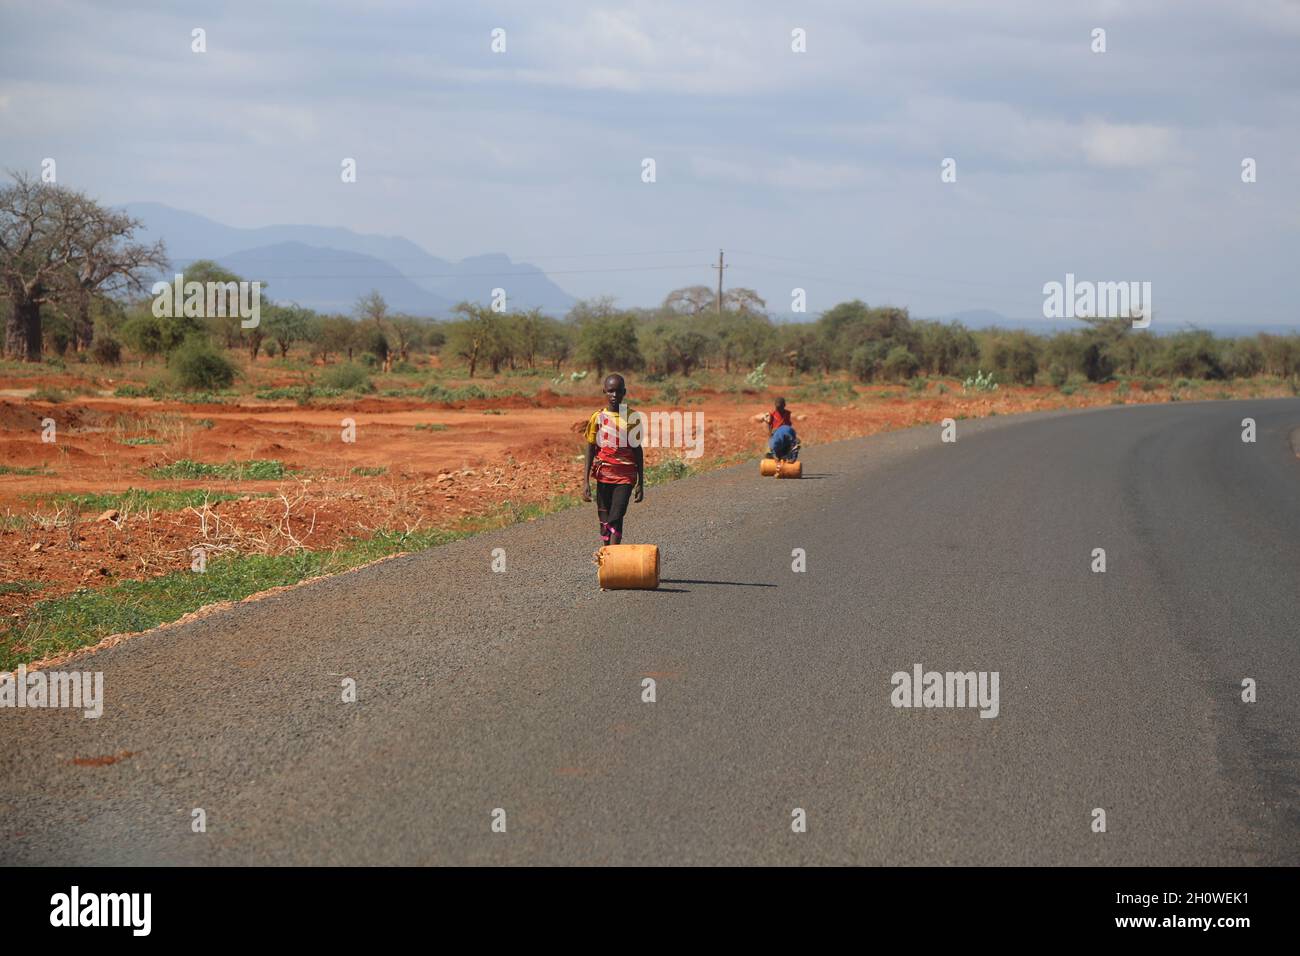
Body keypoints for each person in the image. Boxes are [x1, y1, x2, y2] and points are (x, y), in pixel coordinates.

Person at [582, 373, 644, 546]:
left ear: (624, 392)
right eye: (610, 391)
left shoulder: (632, 418)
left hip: (625, 476)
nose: (614, 395)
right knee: (604, 518)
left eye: (618, 391)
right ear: (604, 391)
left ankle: (612, 557)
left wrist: (641, 482)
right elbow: (590, 448)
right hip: (603, 475)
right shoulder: (597, 418)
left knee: (616, 515)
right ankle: (609, 560)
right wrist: (585, 481)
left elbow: (637, 450)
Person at [764, 396, 799, 461]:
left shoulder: (787, 413)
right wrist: (770, 434)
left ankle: (790, 454)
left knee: (795, 442)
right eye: (778, 408)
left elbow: (788, 423)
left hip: (784, 431)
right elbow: (769, 424)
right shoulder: (772, 414)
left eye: (781, 408)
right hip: (777, 431)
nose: (780, 409)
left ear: (784, 405)